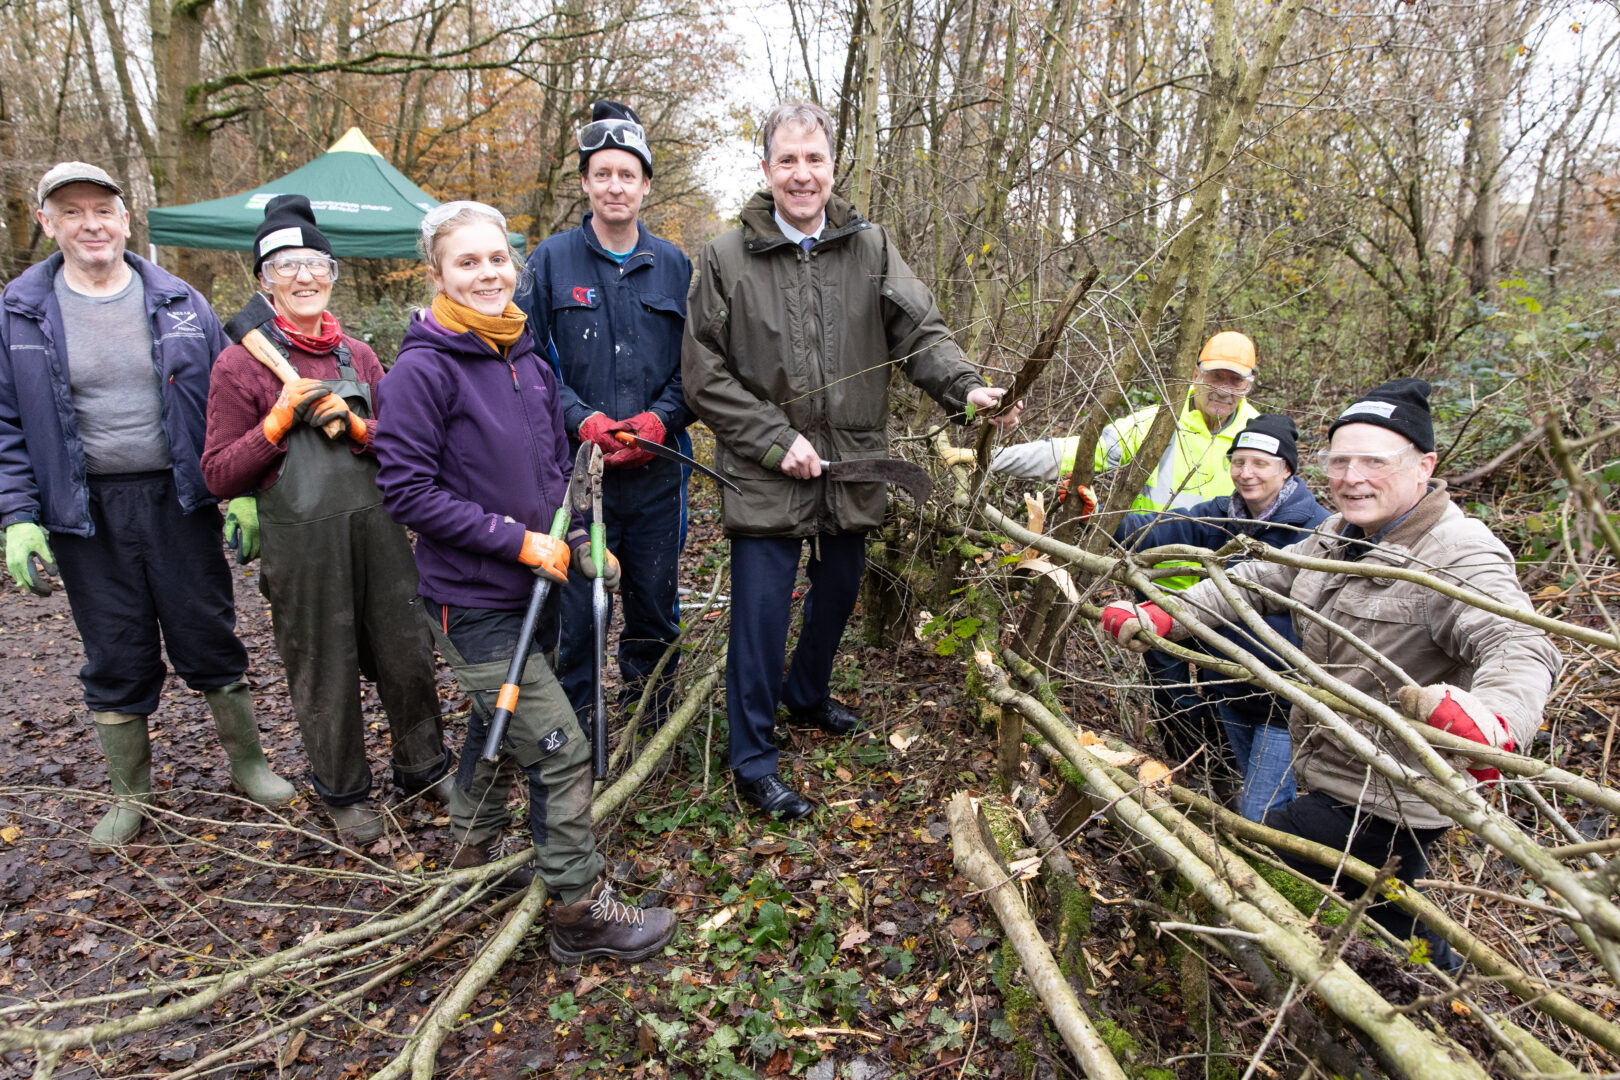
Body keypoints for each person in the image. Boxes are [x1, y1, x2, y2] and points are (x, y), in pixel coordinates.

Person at [1100, 379, 1560, 972]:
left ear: (1424, 466)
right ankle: (1433, 982)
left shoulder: (1459, 552)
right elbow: (1257, 579)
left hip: (1391, 791)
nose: (1351, 477)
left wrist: (1494, 720)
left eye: (1374, 461)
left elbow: (1519, 641)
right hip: (1329, 767)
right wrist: (1168, 614)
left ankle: (1396, 983)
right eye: (1339, 461)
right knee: (1386, 908)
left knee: (1253, 860)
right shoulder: (1337, 535)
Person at [683, 101, 1022, 821]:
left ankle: (806, 693)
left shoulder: (871, 246)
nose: (802, 174)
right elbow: (703, 374)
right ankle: (753, 760)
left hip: (855, 462)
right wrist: (775, 439)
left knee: (838, 590)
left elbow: (921, 333)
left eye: (815, 159)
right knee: (760, 618)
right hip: (764, 466)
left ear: (833, 167)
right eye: (787, 160)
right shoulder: (724, 258)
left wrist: (968, 391)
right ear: (766, 168)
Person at [374, 200, 675, 961]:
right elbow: (406, 491)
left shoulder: (528, 361)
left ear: (515, 265)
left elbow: (553, 477)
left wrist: (576, 541)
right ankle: (579, 913)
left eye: (497, 259)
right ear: (437, 273)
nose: (487, 274)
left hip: (536, 594)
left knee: (496, 723)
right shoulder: (422, 370)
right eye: (466, 262)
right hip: (471, 602)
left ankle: (469, 856)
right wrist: (516, 543)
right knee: (560, 747)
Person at [0, 162, 294, 851]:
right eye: (72, 212)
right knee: (114, 648)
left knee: (208, 632)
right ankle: (131, 793)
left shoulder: (179, 301)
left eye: (103, 210)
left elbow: (229, 399)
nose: (91, 224)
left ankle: (249, 765)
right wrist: (18, 517)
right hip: (84, 510)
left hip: (180, 499)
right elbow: (6, 423)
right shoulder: (18, 311)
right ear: (47, 223)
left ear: (125, 220)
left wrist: (243, 490)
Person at [201, 195, 453, 845]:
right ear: (265, 280)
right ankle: (344, 792)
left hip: (379, 531)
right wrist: (277, 423)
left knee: (408, 654)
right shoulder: (239, 364)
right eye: (286, 266)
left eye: (315, 263)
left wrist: (361, 428)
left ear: (332, 273)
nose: (304, 276)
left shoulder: (358, 356)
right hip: (302, 545)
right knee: (325, 668)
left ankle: (424, 768)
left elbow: (402, 445)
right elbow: (219, 474)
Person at [972, 332, 1264, 778]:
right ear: (1195, 374)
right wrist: (989, 459)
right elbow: (1078, 451)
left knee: (1229, 690)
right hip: (1158, 584)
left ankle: (1227, 774)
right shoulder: (1160, 421)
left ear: (1249, 384)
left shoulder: (1259, 434)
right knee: (1169, 693)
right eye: (1215, 377)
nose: (1223, 389)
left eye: (1235, 381)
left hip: (1226, 593)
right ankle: (1190, 768)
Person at [518, 100, 692, 741]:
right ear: (585, 183)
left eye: (627, 174)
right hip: (575, 478)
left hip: (658, 477)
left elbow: (701, 368)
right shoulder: (549, 262)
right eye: (602, 174)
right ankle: (578, 735)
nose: (615, 186)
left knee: (654, 605)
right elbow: (525, 361)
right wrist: (580, 418)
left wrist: (661, 421)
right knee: (577, 611)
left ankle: (651, 723)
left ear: (646, 185)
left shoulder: (675, 266)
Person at [1108, 414, 1329, 821]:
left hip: (1281, 697)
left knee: (1262, 809)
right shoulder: (1226, 513)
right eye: (1239, 462)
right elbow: (1163, 529)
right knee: (1248, 785)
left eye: (1260, 463)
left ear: (1286, 470)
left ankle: (1269, 853)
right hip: (1228, 684)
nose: (1246, 473)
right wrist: (1102, 517)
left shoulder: (1314, 530)